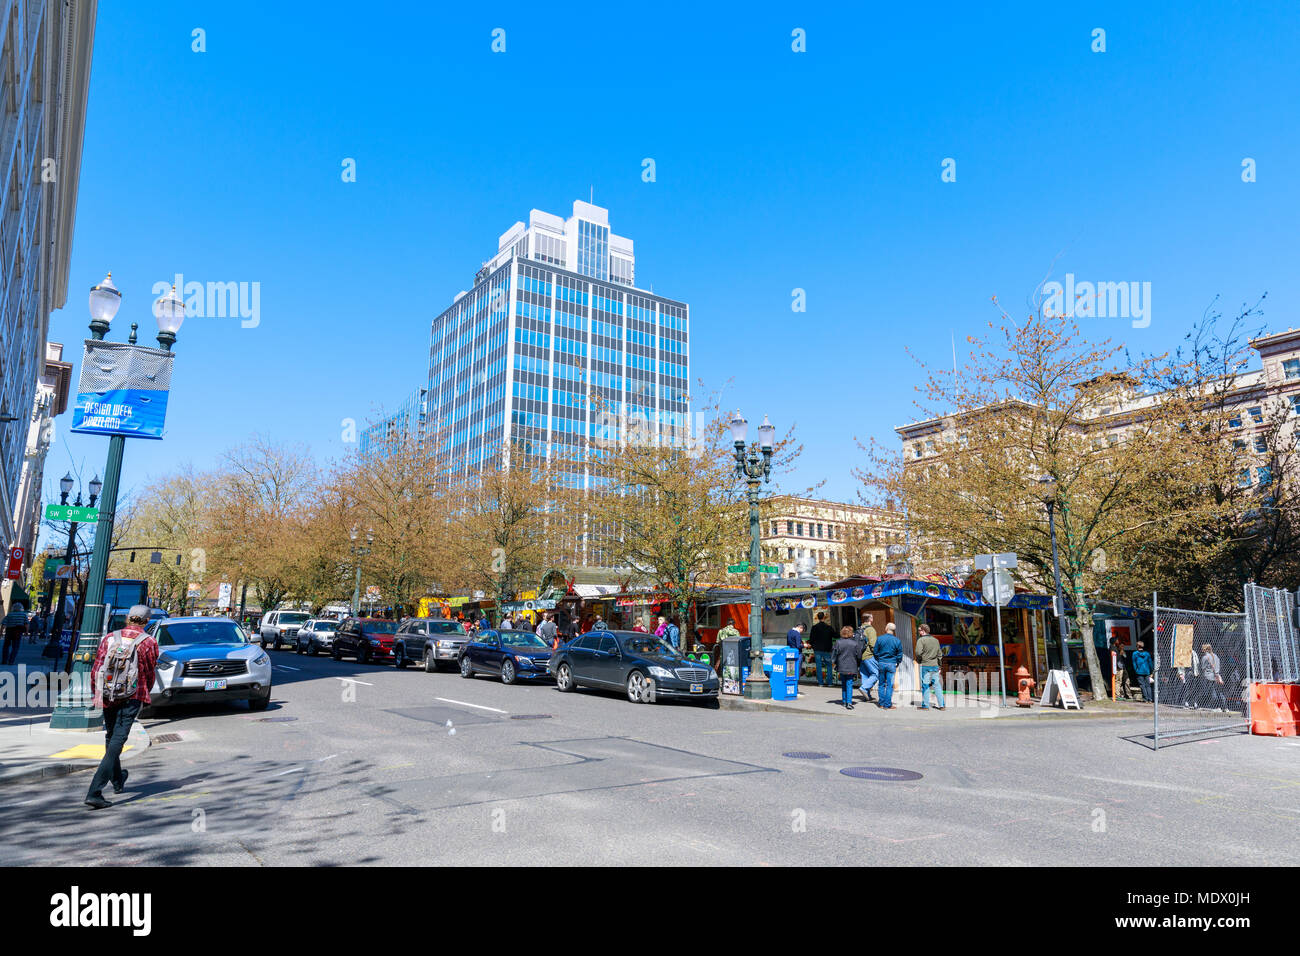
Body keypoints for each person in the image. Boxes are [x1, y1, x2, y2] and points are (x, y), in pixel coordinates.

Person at [84, 605, 158, 810]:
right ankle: (95, 791)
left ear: (128, 618)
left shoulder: (109, 638)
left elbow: (97, 668)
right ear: (147, 621)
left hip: (108, 694)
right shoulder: (149, 641)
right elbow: (150, 672)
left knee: (111, 737)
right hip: (132, 695)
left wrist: (97, 693)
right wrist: (144, 692)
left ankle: (117, 779)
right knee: (118, 739)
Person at [915, 624, 945, 710]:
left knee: (925, 685)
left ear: (923, 631)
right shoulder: (936, 640)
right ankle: (942, 705)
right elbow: (940, 655)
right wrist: (939, 665)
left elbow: (917, 652)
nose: (919, 632)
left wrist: (919, 660)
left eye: (919, 630)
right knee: (937, 686)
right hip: (935, 666)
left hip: (926, 666)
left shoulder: (921, 640)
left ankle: (925, 705)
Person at [833, 626, 863, 709]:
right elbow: (859, 656)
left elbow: (834, 654)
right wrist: (858, 664)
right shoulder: (854, 643)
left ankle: (844, 700)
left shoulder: (838, 642)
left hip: (841, 666)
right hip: (851, 666)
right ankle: (849, 702)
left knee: (843, 683)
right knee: (849, 683)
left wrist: (836, 663)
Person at [874, 622, 903, 710]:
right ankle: (887, 704)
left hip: (881, 663)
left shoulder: (879, 639)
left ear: (886, 628)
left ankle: (881, 703)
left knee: (881, 684)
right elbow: (899, 654)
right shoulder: (897, 641)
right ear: (893, 631)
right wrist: (897, 662)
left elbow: (875, 652)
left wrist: (879, 659)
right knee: (890, 685)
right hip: (891, 664)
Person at [807, 612, 837, 687]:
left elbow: (811, 639)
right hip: (827, 649)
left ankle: (820, 683)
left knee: (819, 666)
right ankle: (830, 683)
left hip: (817, 649)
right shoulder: (829, 627)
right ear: (824, 617)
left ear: (818, 617)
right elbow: (835, 635)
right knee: (829, 666)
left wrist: (813, 645)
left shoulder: (814, 627)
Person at [856, 616, 879, 702]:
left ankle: (867, 696)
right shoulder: (871, 629)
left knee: (865, 675)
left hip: (861, 655)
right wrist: (877, 655)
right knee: (876, 674)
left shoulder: (860, 628)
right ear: (870, 619)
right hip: (869, 655)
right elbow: (873, 645)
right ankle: (864, 688)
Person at [1201, 643, 1227, 711]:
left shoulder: (1205, 657)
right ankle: (1224, 707)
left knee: (1212, 692)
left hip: (1208, 676)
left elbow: (1203, 668)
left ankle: (1215, 707)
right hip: (1217, 676)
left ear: (1204, 650)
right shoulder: (1216, 656)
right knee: (1219, 692)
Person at [2, 598, 28, 665]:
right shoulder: (24, 615)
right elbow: (26, 624)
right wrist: (26, 632)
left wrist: (1, 632)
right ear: (21, 608)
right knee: (15, 647)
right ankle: (11, 661)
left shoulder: (10, 614)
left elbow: (4, 623)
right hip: (18, 632)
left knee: (6, 646)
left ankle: (4, 660)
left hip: (9, 631)